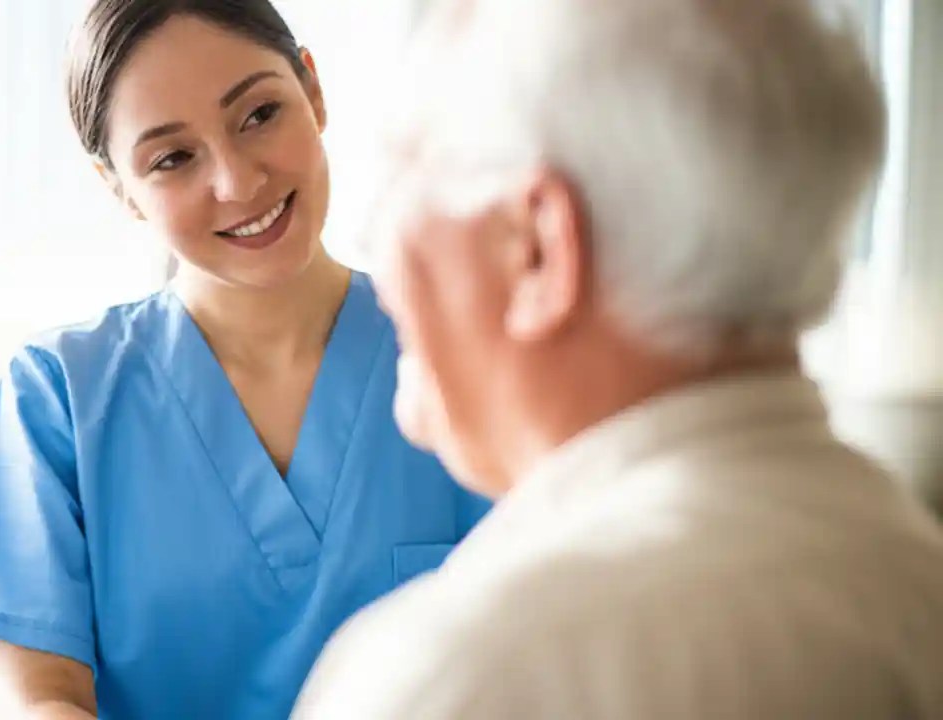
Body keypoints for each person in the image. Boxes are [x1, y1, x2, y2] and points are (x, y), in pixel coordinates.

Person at [293, 0, 943, 717]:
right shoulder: (917, 579)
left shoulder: (460, 676)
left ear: (536, 249)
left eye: (402, 176)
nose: (369, 234)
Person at [0, 1, 488, 718]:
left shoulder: (465, 348)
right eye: (172, 158)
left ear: (312, 90)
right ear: (119, 188)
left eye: (258, 114)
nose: (237, 181)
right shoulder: (60, 397)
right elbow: (42, 700)